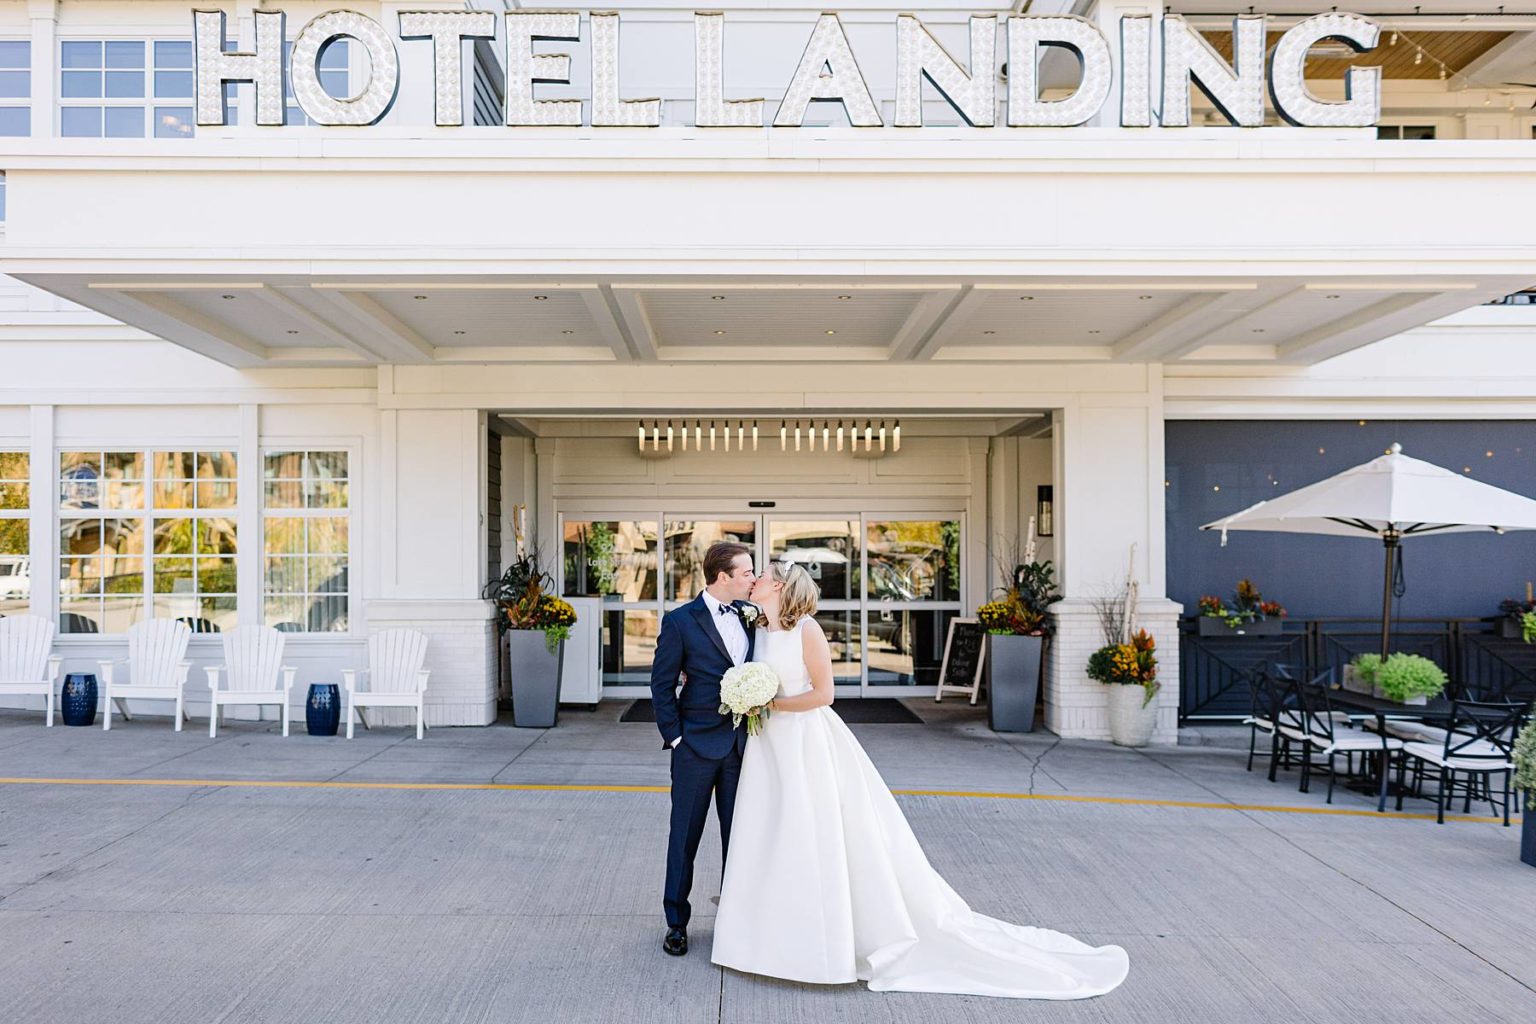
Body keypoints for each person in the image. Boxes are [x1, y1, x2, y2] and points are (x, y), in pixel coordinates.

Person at [710, 558, 1130, 999]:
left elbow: (824, 694)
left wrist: (768, 705)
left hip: (802, 743)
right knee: (769, 832)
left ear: (780, 587)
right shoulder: (758, 627)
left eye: (763, 577)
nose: (754, 581)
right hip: (767, 746)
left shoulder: (807, 629)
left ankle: (818, 942)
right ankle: (767, 937)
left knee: (809, 833)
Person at [649, 541, 757, 957]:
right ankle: (676, 923)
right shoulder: (680, 621)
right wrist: (676, 736)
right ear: (723, 577)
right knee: (684, 839)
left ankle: (736, 921)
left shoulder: (752, 619)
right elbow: (661, 685)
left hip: (741, 747)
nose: (753, 578)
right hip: (694, 746)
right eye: (746, 573)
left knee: (740, 839)